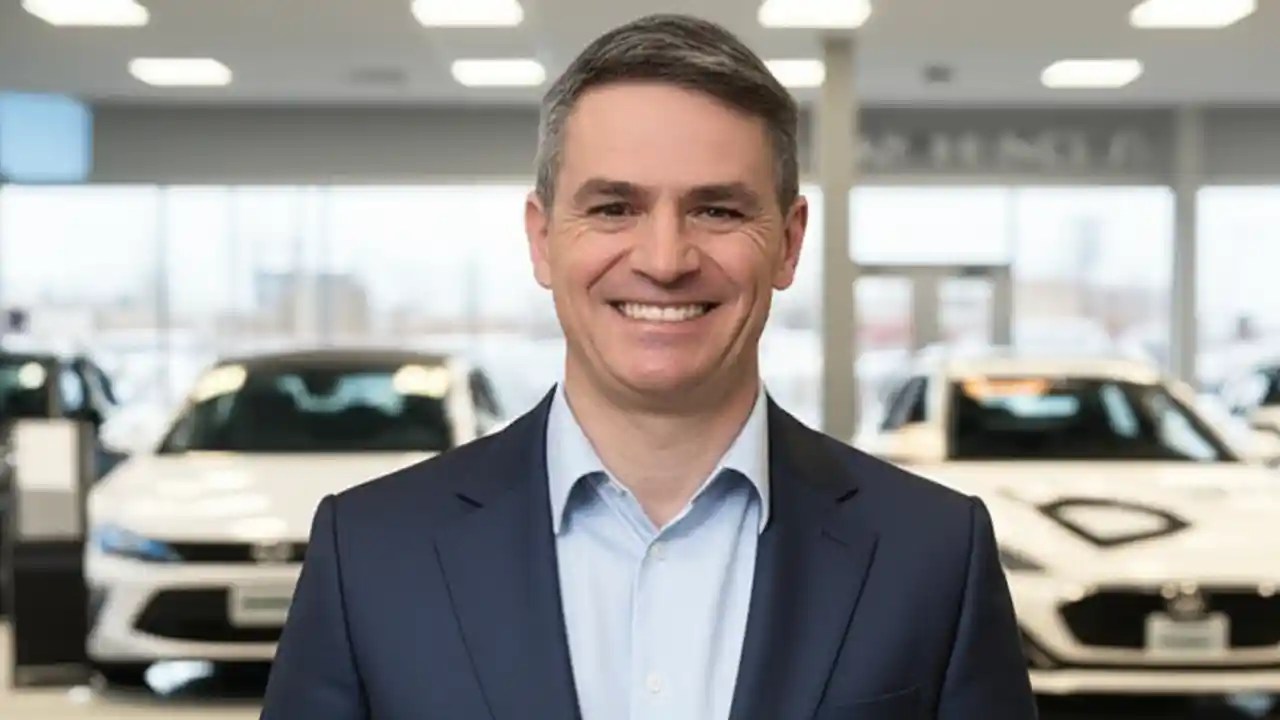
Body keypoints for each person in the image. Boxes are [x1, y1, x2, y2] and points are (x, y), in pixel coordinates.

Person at [261, 13, 1037, 720]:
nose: (665, 261)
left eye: (718, 210)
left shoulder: (932, 554)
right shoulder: (371, 553)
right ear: (542, 239)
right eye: (613, 208)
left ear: (790, 243)